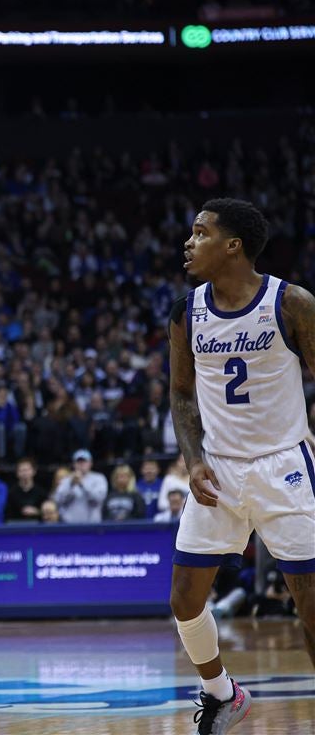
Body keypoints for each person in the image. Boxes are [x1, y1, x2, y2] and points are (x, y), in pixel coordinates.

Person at [169, 198, 315, 731]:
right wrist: (194, 459)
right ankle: (222, 692)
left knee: (310, 605)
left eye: (200, 232)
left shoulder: (292, 302)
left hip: (285, 466)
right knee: (184, 598)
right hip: (220, 470)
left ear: (233, 245)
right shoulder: (187, 311)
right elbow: (181, 395)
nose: (189, 241)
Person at [53, 449, 108, 524]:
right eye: (78, 462)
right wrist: (71, 485)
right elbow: (58, 500)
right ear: (74, 464)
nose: (81, 464)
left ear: (90, 463)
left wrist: (82, 484)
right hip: (69, 526)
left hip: (93, 526)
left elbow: (98, 498)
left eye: (84, 461)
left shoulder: (99, 478)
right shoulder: (66, 480)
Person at [6, 458, 47, 523]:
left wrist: (37, 511)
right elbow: (7, 516)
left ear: (34, 471)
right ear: (17, 473)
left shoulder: (41, 492)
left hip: (37, 527)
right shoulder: (11, 493)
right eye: (21, 470)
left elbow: (46, 514)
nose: (24, 473)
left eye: (27, 470)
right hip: (16, 527)